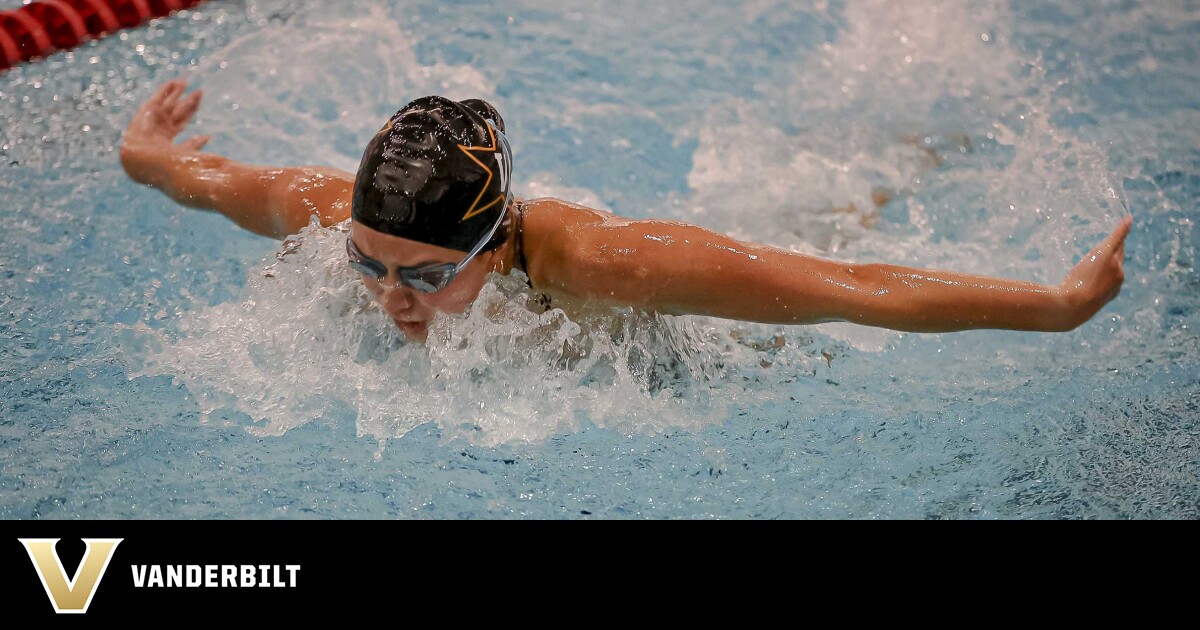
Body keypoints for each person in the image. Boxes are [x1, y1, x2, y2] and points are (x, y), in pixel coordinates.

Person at [120, 79, 1131, 343]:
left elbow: (855, 292)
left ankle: (912, 153)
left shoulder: (607, 264)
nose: (391, 298)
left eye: (425, 276)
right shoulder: (328, 211)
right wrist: (148, 153)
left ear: (492, 239)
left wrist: (1053, 303)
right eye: (368, 265)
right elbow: (195, 179)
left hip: (716, 344)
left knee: (832, 231)